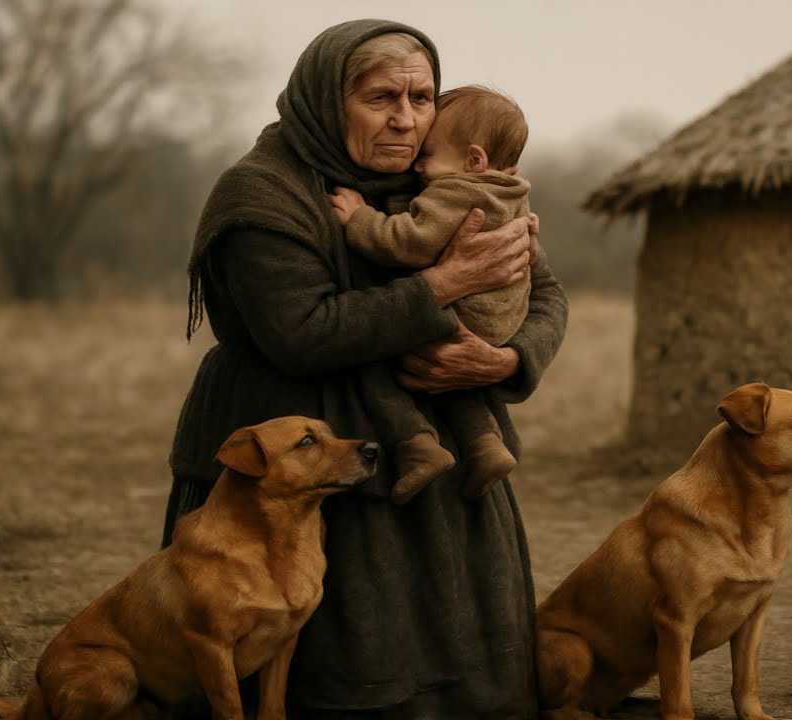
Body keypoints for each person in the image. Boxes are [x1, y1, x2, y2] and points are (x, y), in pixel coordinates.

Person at [160, 19, 567, 719]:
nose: (406, 120)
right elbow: (300, 332)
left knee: (471, 684)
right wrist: (440, 286)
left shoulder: (453, 180)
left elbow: (545, 292)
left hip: (447, 463)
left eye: (422, 97)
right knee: (328, 675)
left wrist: (504, 357)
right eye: (381, 98)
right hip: (295, 467)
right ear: (327, 99)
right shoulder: (263, 196)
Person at [327, 85, 532, 505]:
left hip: (466, 310)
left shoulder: (456, 191)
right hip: (501, 319)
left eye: (429, 153)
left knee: (377, 360)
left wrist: (360, 219)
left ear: (474, 160)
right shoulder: (511, 192)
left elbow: (409, 240)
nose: (419, 164)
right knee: (456, 379)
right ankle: (486, 445)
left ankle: (417, 445)